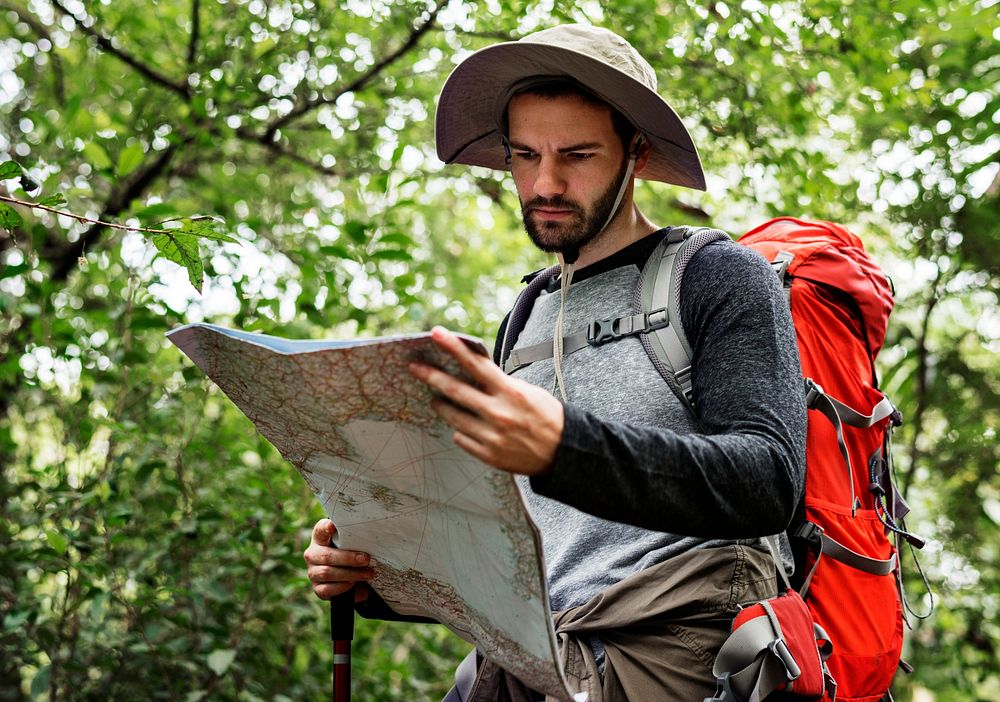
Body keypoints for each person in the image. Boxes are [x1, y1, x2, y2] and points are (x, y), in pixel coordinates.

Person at [304, 24, 806, 701]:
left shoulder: (717, 276)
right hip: (527, 662)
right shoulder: (527, 315)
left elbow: (768, 480)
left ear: (637, 152)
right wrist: (376, 578)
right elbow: (517, 543)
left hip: (672, 659)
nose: (544, 182)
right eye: (523, 155)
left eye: (577, 154)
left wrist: (564, 448)